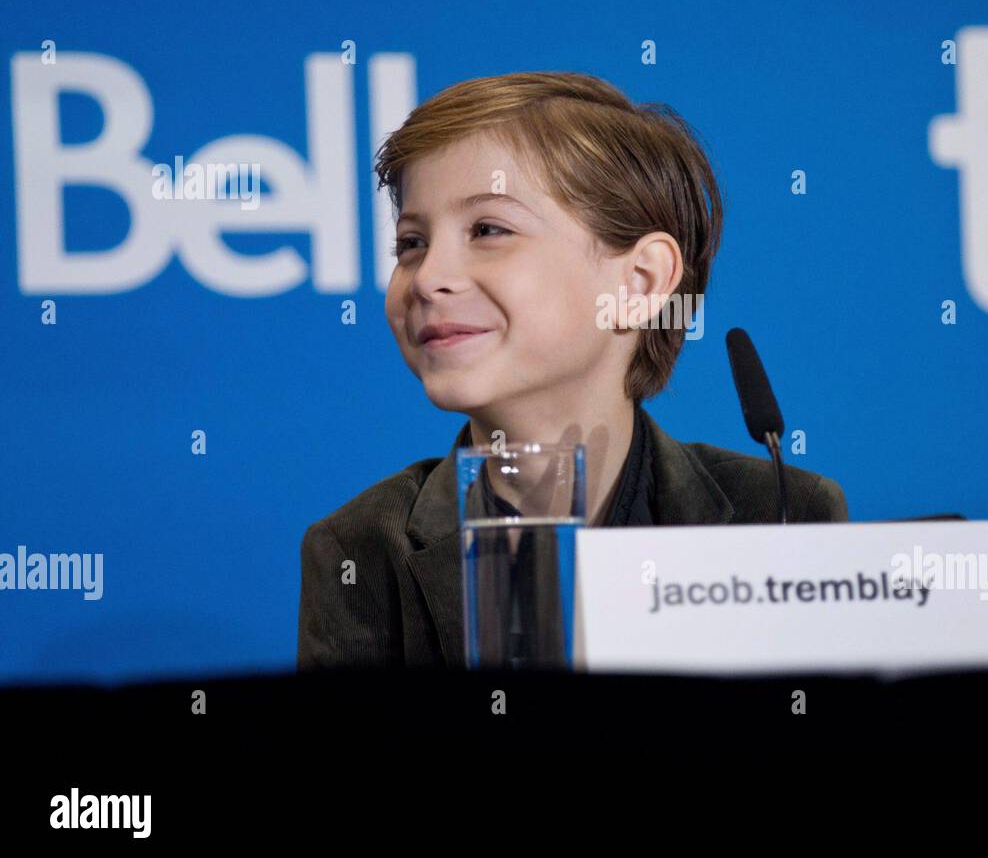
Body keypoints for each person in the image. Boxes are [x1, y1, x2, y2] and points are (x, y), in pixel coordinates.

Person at [297, 71, 850, 671]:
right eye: (411, 243)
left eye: (488, 230)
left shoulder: (782, 514)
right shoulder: (361, 548)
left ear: (639, 282)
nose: (429, 277)